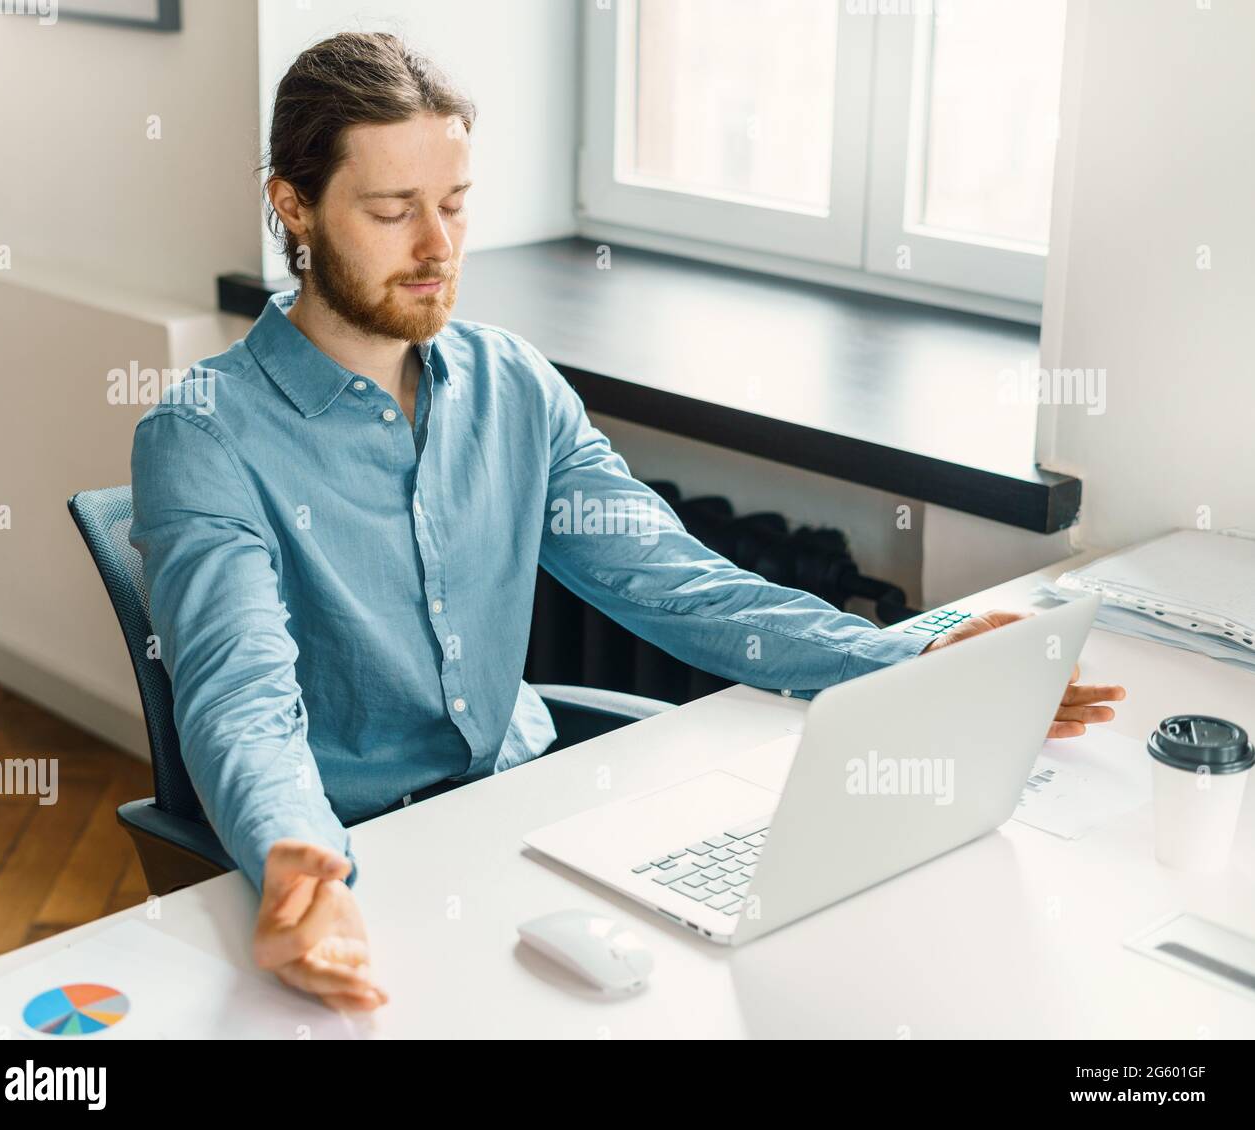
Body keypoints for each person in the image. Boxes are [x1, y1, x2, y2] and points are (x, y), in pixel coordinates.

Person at [129, 32, 1125, 1013]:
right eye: (392, 211)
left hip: (524, 811)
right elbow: (239, 702)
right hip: (364, 852)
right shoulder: (204, 434)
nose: (437, 247)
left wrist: (915, 658)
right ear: (293, 207)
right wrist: (299, 865)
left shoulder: (510, 383)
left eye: (455, 204)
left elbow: (677, 582)